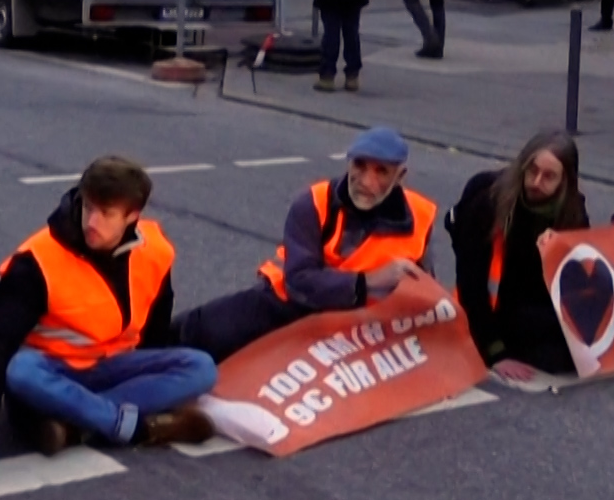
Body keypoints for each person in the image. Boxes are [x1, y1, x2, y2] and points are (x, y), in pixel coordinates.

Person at [0, 157, 216, 469]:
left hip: (113, 366)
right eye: (89, 207)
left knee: (200, 367)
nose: (92, 221)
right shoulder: (37, 261)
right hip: (53, 370)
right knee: (21, 371)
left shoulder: (154, 251)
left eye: (106, 213)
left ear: (132, 216)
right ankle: (132, 427)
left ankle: (78, 421)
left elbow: (156, 326)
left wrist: (152, 373)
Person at [175, 128, 436, 362]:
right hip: (288, 304)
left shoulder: (420, 214)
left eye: (381, 171)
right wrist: (368, 282)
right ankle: (154, 344)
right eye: (360, 165)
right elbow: (299, 280)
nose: (367, 182)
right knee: (206, 332)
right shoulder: (313, 202)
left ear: (401, 176)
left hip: (359, 326)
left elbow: (425, 294)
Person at [447, 131, 590, 382]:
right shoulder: (488, 203)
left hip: (533, 301)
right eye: (532, 170)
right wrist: (495, 353)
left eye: (549, 177)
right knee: (550, 356)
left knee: (575, 351)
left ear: (565, 181)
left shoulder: (573, 212)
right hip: (490, 311)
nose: (535, 182)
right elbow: (472, 285)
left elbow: (577, 281)